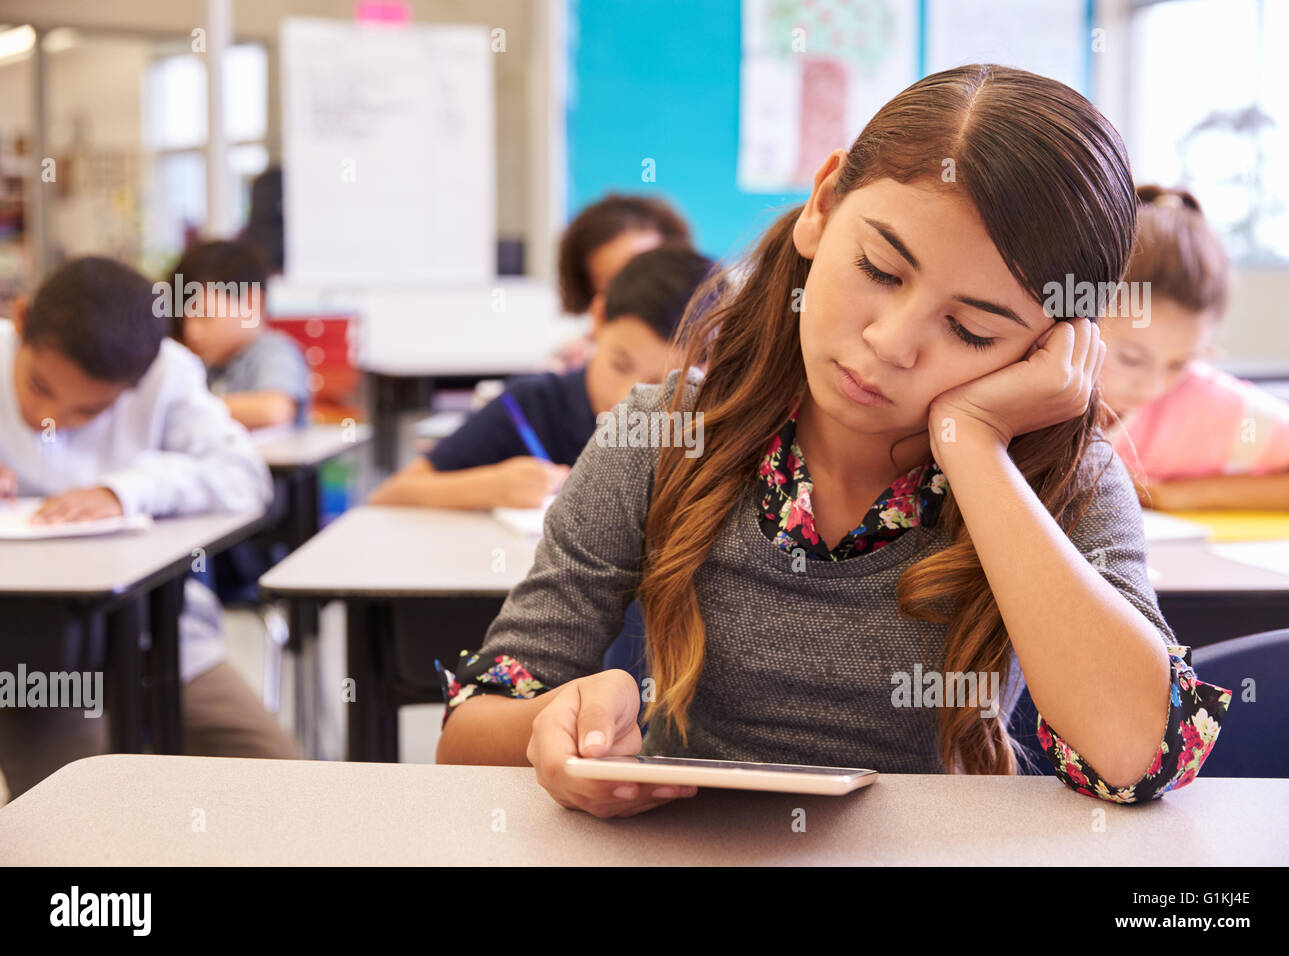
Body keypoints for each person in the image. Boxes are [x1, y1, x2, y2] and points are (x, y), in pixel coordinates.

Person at [433, 64, 1231, 818]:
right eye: (880, 269)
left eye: (971, 329)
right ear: (822, 204)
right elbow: (468, 734)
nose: (891, 341)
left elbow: (1137, 757)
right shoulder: (666, 433)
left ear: (1046, 350)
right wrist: (551, 725)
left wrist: (975, 446)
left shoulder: (1062, 477)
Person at [0, 257, 302, 799]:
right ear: (20, 321)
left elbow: (244, 477)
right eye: (39, 386)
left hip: (159, 635)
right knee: (67, 809)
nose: (55, 420)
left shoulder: (167, 372)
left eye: (89, 411)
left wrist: (124, 490)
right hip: (27, 653)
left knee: (286, 783)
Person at [369, 244, 716, 509]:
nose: (630, 394)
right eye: (620, 365)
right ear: (597, 318)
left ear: (706, 367)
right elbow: (389, 494)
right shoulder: (531, 404)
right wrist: (491, 487)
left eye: (661, 384)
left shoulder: (701, 426)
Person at [1100, 185, 1289, 510]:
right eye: (1132, 359)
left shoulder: (1200, 402)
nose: (1153, 387)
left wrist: (1172, 496)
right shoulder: (1021, 387)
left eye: (1179, 363)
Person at [170, 239, 310, 430]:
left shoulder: (274, 351)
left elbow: (274, 411)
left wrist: (188, 408)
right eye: (184, 320)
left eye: (204, 315)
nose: (191, 332)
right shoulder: (205, 363)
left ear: (252, 305)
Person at [547, 194, 693, 373]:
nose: (640, 288)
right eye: (616, 280)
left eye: (647, 268)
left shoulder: (711, 351)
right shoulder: (571, 367)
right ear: (594, 299)